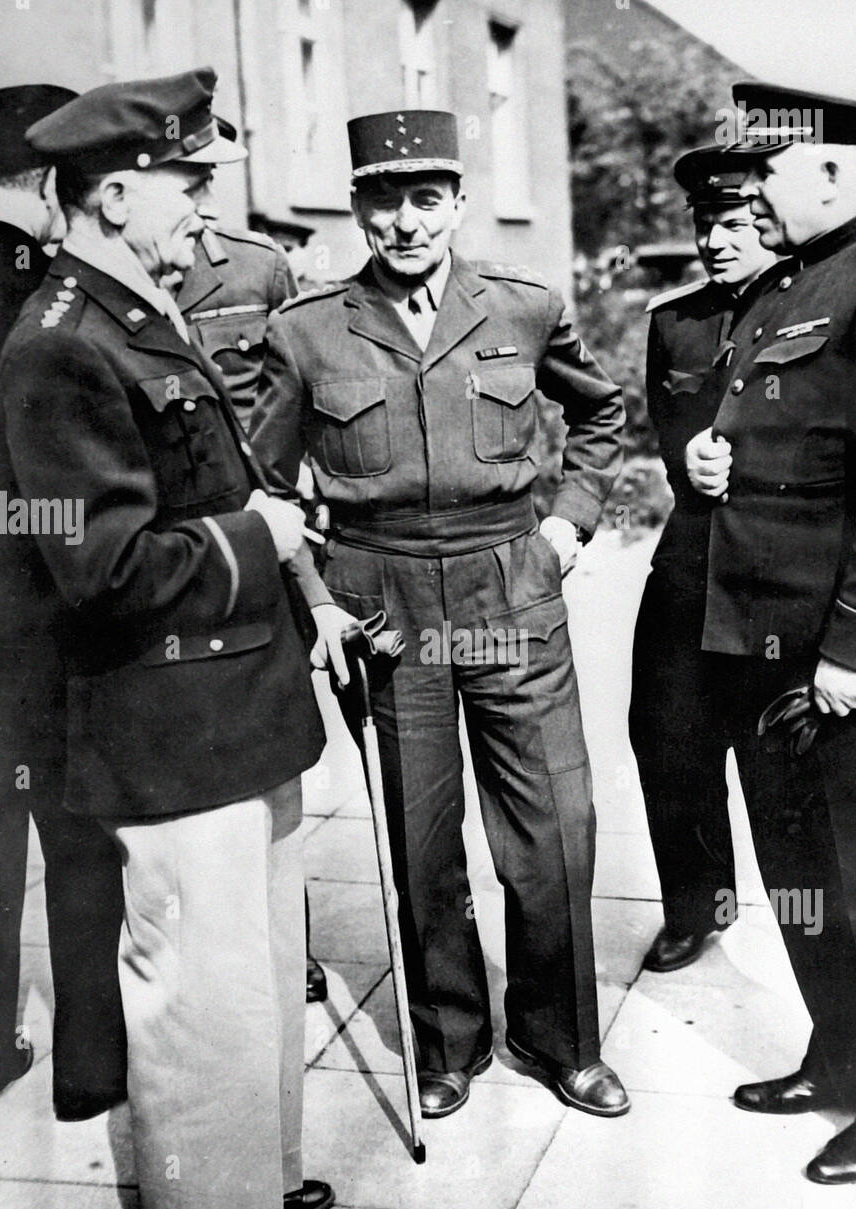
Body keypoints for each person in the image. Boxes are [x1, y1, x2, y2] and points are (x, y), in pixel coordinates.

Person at [0, 67, 342, 1209]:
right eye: (188, 182)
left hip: (235, 717)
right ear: (111, 191)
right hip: (166, 733)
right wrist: (266, 540)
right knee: (200, 1032)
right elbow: (99, 566)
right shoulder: (59, 347)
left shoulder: (145, 306)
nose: (205, 205)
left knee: (243, 1016)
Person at [251, 109, 630, 1120]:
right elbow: (265, 489)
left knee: (556, 827)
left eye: (426, 199)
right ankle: (446, 1041)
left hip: (512, 589)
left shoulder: (524, 306)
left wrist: (568, 526)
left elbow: (599, 412)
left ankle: (560, 1038)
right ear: (357, 209)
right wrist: (321, 600)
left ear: (458, 203)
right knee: (419, 842)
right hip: (386, 606)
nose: (406, 222)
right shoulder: (305, 330)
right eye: (384, 200)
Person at [687, 82, 856, 1183]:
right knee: (800, 873)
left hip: (848, 655)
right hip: (758, 636)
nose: (750, 189)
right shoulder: (784, 284)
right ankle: (839, 1056)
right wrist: (703, 461)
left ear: (834, 174)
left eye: (771, 172)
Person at [0, 82, 127, 1118]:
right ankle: (92, 1063)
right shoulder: (54, 300)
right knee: (80, 843)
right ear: (46, 183)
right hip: (45, 620)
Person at [174, 137, 328, 1004]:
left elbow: (298, 382)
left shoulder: (256, 268)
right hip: (163, 550)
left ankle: (286, 935)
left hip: (258, 539)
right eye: (187, 181)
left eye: (206, 184)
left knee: (271, 744)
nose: (200, 201)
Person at [630, 146, 777, 973]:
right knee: (666, 736)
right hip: (690, 561)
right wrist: (688, 457)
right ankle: (697, 906)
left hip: (776, 570)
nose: (716, 241)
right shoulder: (674, 320)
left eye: (735, 223)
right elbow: (667, 428)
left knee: (774, 755)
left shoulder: (814, 310)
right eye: (704, 224)